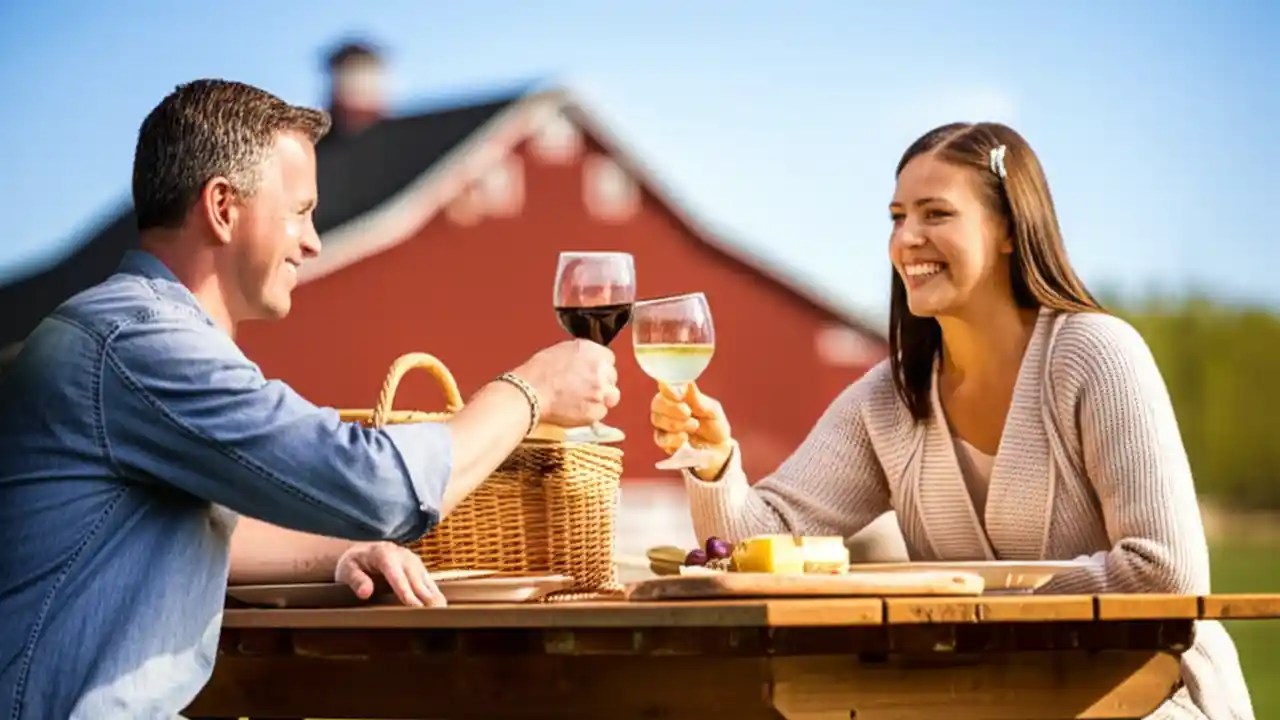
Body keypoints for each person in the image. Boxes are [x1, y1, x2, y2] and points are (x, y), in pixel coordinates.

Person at [0, 79, 620, 719]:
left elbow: (203, 534)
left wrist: (339, 554)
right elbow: (377, 487)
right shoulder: (142, 344)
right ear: (222, 207)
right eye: (300, 211)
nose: (313, 240)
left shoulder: (121, 333)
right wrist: (533, 389)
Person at [650, 122, 1254, 718]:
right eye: (896, 217)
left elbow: (1165, 572)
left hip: (1147, 697)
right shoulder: (889, 399)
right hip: (993, 700)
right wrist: (714, 461)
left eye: (935, 214)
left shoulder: (1094, 355)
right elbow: (752, 546)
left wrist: (960, 594)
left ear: (1011, 230)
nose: (907, 239)